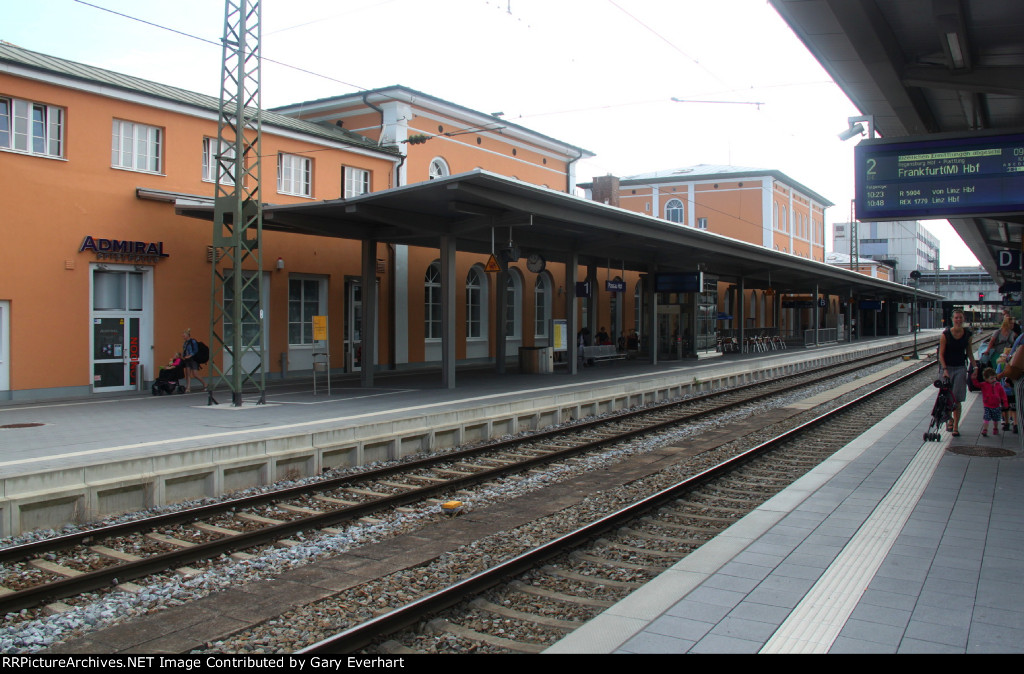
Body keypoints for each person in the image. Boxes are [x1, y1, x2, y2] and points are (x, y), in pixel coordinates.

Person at [938, 309, 976, 437]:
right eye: (956, 318)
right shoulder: (946, 334)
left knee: (957, 398)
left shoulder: (967, 335)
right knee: (946, 397)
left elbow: (969, 353)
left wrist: (975, 368)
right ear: (952, 319)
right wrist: (945, 370)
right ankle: (949, 419)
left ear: (963, 319)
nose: (958, 320)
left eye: (960, 318)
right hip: (947, 368)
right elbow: (941, 355)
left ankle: (955, 427)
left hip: (960, 367)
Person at [976, 367, 1008, 437]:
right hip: (987, 405)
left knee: (996, 419)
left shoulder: (998, 385)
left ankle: (995, 428)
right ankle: (985, 429)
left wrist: (1005, 403)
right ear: (986, 379)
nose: (994, 380)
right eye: (991, 378)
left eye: (994, 378)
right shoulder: (984, 385)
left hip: (996, 405)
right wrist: (973, 379)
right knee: (986, 418)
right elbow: (977, 385)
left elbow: (1003, 394)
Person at [182, 328, 207, 393]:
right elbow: (185, 351)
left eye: (184, 335)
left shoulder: (193, 341)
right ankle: (188, 388)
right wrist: (184, 356)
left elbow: (195, 350)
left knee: (195, 374)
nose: (183, 336)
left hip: (193, 359)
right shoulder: (185, 343)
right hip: (187, 360)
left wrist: (190, 355)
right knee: (187, 374)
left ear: (188, 335)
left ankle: (205, 384)